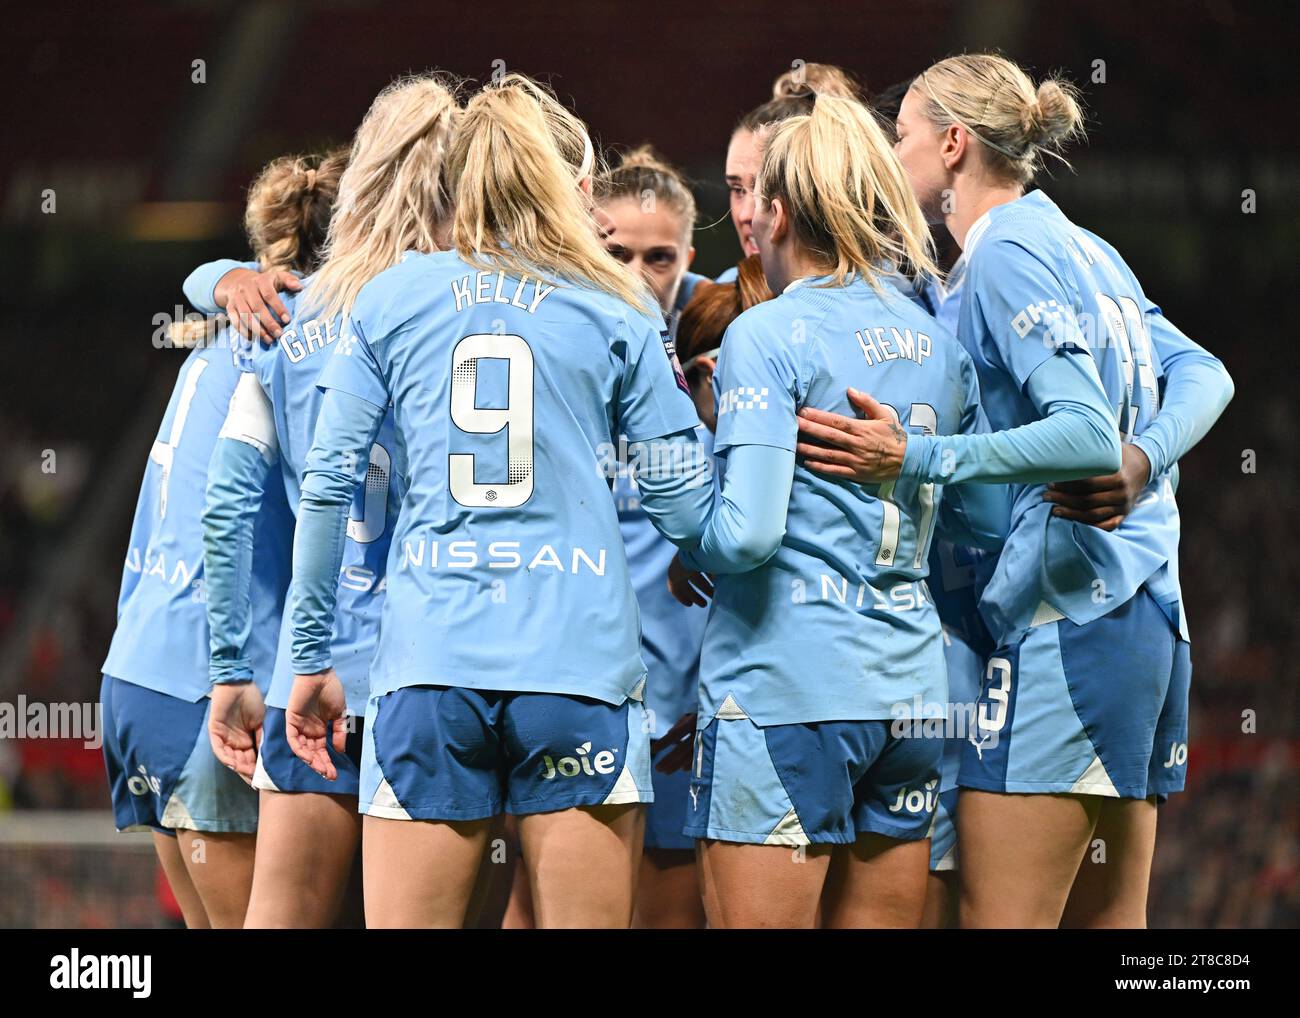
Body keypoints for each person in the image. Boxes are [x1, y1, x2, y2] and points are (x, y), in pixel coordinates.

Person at [794, 54, 1234, 927]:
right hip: (1146, 617)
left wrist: (913, 456)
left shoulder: (1004, 253)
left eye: (903, 135)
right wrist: (1146, 459)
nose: (892, 154)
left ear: (954, 143)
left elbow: (1082, 433)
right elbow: (1207, 372)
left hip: (1067, 618)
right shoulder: (1087, 247)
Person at [284, 73, 714, 928]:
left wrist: (307, 655)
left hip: (430, 669)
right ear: (572, 185)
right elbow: (687, 507)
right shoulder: (616, 304)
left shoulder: (390, 296)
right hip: (578, 673)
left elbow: (329, 484)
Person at [668, 91, 1001, 928]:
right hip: (912, 695)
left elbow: (745, 536)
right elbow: (989, 522)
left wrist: (681, 515)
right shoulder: (940, 344)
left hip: (786, 688)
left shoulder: (768, 333)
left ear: (777, 213)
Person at [197, 76, 460, 928]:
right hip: (437, 669)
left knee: (281, 915)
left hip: (311, 670)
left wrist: (232, 665)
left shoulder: (288, 318)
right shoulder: (469, 314)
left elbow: (226, 500)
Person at [96, 154, 322, 928]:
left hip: (138, 671)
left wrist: (220, 277)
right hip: (211, 684)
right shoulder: (294, 345)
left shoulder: (217, 340)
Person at [721, 64, 860, 280]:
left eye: (764, 191)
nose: (745, 215)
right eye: (737, 189)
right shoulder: (719, 291)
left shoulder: (892, 291)